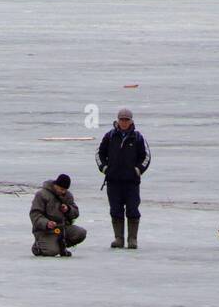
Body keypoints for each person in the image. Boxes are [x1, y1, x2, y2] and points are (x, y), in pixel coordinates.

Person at [96, 107, 150, 250]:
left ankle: (132, 239)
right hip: (113, 181)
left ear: (131, 121)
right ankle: (118, 238)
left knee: (133, 210)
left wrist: (138, 170)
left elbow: (146, 157)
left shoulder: (138, 137)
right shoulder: (109, 136)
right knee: (115, 210)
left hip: (131, 182)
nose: (124, 122)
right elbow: (99, 153)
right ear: (117, 120)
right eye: (122, 119)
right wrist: (104, 168)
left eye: (127, 120)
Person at [30, 174, 86, 256]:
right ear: (55, 185)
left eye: (65, 190)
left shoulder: (68, 196)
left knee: (81, 233)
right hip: (46, 231)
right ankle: (38, 246)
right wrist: (47, 223)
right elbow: (35, 214)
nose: (63, 192)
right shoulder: (41, 195)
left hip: (63, 229)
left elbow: (76, 213)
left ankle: (61, 246)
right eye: (61, 189)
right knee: (51, 252)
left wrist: (68, 209)